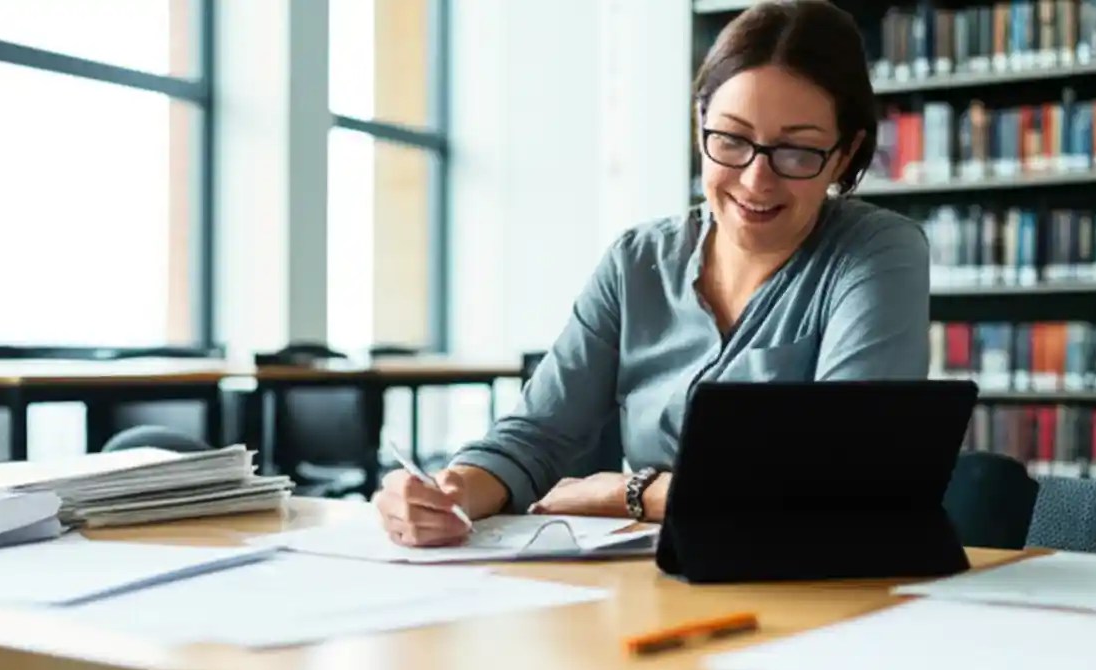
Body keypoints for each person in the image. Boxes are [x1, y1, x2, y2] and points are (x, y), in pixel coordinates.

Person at [373, 0, 930, 547]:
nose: (756, 181)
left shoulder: (878, 253)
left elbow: (844, 478)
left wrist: (633, 493)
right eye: (731, 140)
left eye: (797, 152)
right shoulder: (637, 261)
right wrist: (451, 493)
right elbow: (536, 436)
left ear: (844, 152)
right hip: (648, 583)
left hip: (812, 589)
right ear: (700, 124)